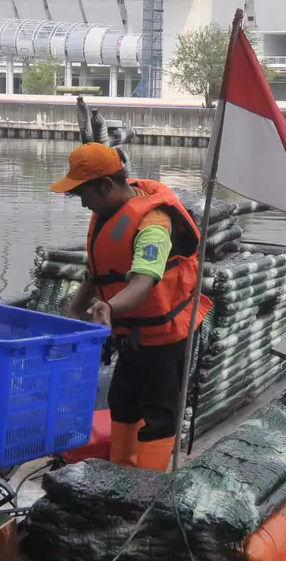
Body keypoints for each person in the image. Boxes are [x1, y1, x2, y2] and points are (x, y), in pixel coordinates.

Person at [52, 143, 210, 471]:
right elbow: (97, 271)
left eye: (83, 194)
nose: (82, 203)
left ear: (106, 186)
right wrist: (75, 308)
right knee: (121, 402)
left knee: (159, 414)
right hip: (131, 335)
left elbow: (142, 282)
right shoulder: (108, 211)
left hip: (165, 339)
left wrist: (108, 307)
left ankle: (145, 488)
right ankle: (119, 473)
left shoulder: (153, 223)